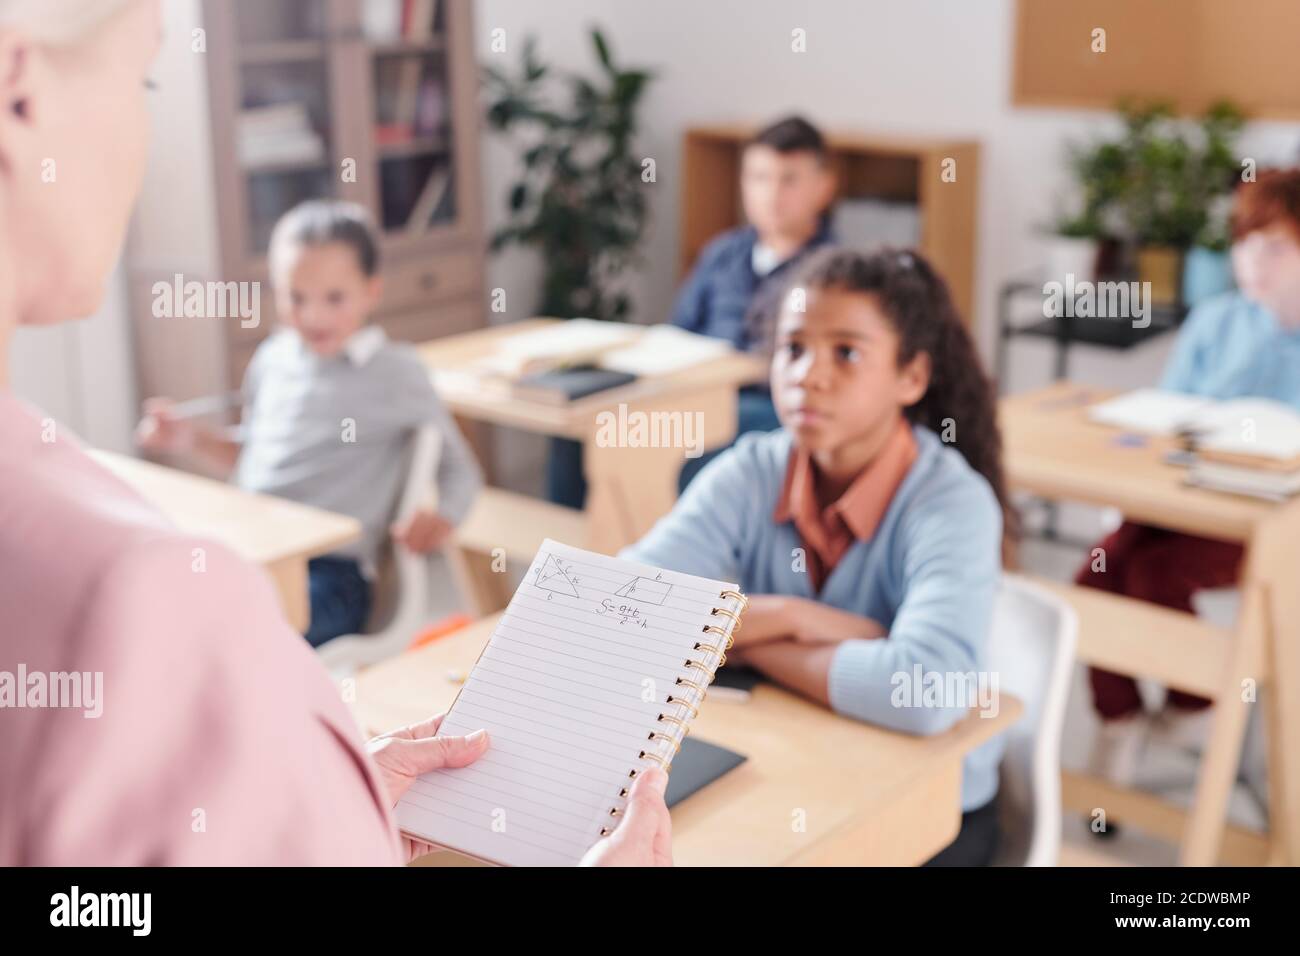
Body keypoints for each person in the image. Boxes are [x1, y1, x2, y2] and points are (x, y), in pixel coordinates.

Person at [0, 0, 669, 865]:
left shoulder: (119, 576)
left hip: (333, 573)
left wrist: (332, 797)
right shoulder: (140, 596)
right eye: (143, 78)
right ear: (20, 92)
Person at [622, 247, 1014, 865]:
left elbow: (926, 690)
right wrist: (795, 616)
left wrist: (739, 639)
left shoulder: (951, 503)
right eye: (793, 348)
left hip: (932, 812)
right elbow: (623, 605)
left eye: (847, 353)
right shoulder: (753, 469)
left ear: (911, 377)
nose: (808, 373)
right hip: (793, 776)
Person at [137, 199, 482, 647]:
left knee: (235, 634)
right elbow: (254, 456)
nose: (313, 316)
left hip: (333, 574)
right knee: (156, 602)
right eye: (295, 297)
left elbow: (462, 471)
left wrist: (443, 517)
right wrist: (188, 437)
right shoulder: (272, 359)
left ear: (371, 291)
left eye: (334, 298)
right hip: (252, 551)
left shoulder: (396, 372)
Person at [1080, 168, 1300, 787]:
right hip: (1178, 500)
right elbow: (1166, 413)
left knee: (1154, 575)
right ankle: (1119, 721)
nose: (1254, 260)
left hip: (1265, 523)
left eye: (1276, 245)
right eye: (1245, 242)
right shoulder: (1217, 319)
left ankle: (1194, 706)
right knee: (1096, 573)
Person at [546, 115, 838, 506]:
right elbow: (678, 334)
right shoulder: (722, 254)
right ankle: (570, 557)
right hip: (692, 392)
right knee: (582, 428)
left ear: (823, 187)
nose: (772, 194)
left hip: (764, 407)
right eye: (759, 177)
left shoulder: (834, 273)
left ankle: (654, 555)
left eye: (789, 179)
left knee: (666, 452)